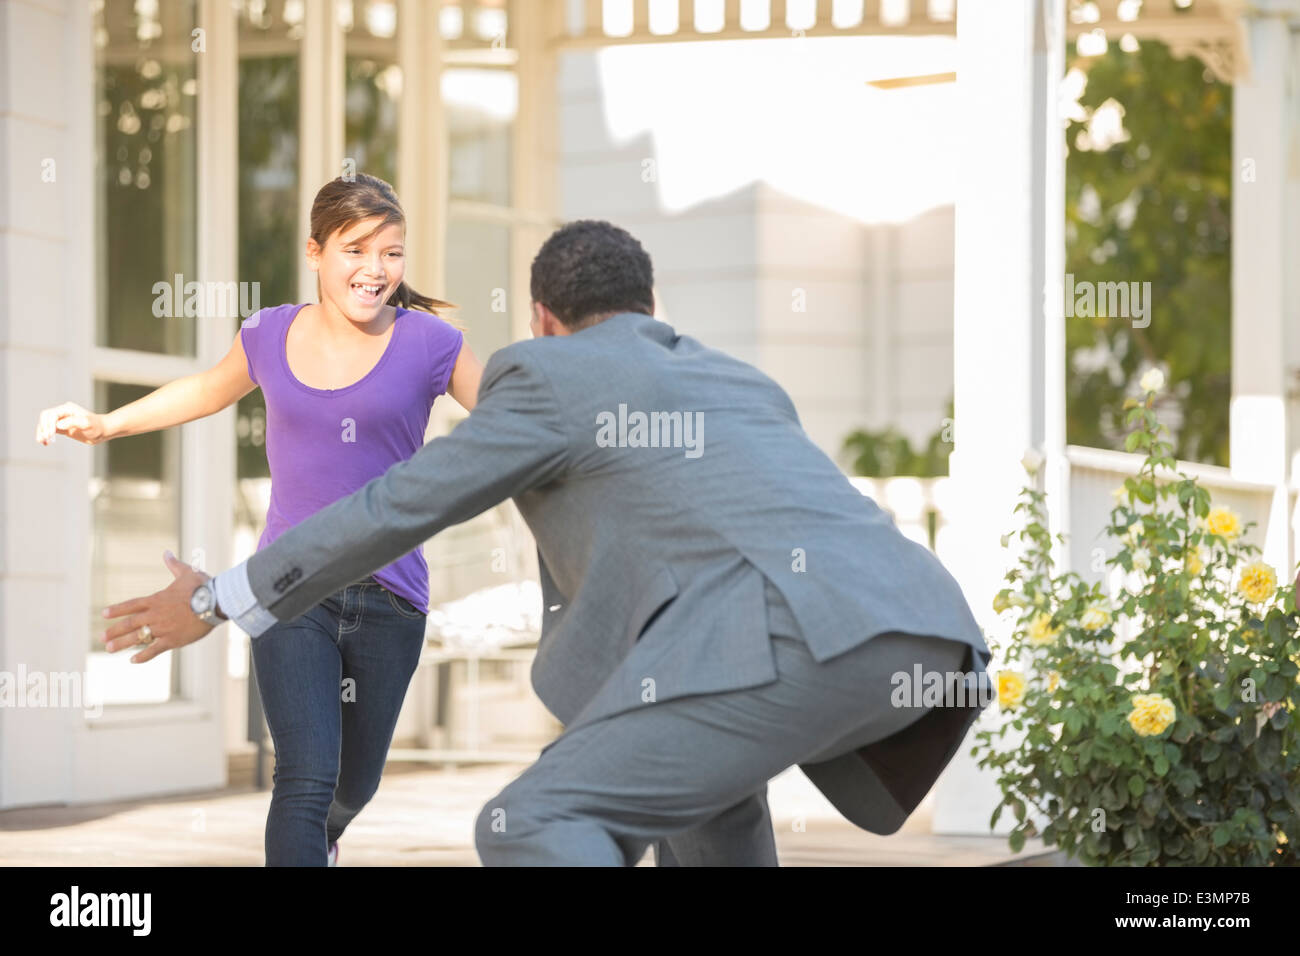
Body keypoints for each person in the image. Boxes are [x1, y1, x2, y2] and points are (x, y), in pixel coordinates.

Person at [100, 219, 992, 866]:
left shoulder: (547, 374)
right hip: (924, 628)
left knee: (529, 823)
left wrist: (219, 597)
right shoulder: (737, 378)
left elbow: (395, 507)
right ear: (652, 306)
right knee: (709, 815)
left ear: (540, 320)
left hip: (775, 633)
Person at [40, 173, 481, 866]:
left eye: (391, 253)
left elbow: (515, 421)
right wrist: (104, 425)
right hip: (288, 589)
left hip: (391, 597)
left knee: (352, 788)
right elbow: (204, 391)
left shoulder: (430, 342)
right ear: (315, 252)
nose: (375, 269)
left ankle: (321, 848)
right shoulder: (270, 333)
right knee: (304, 780)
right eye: (356, 249)